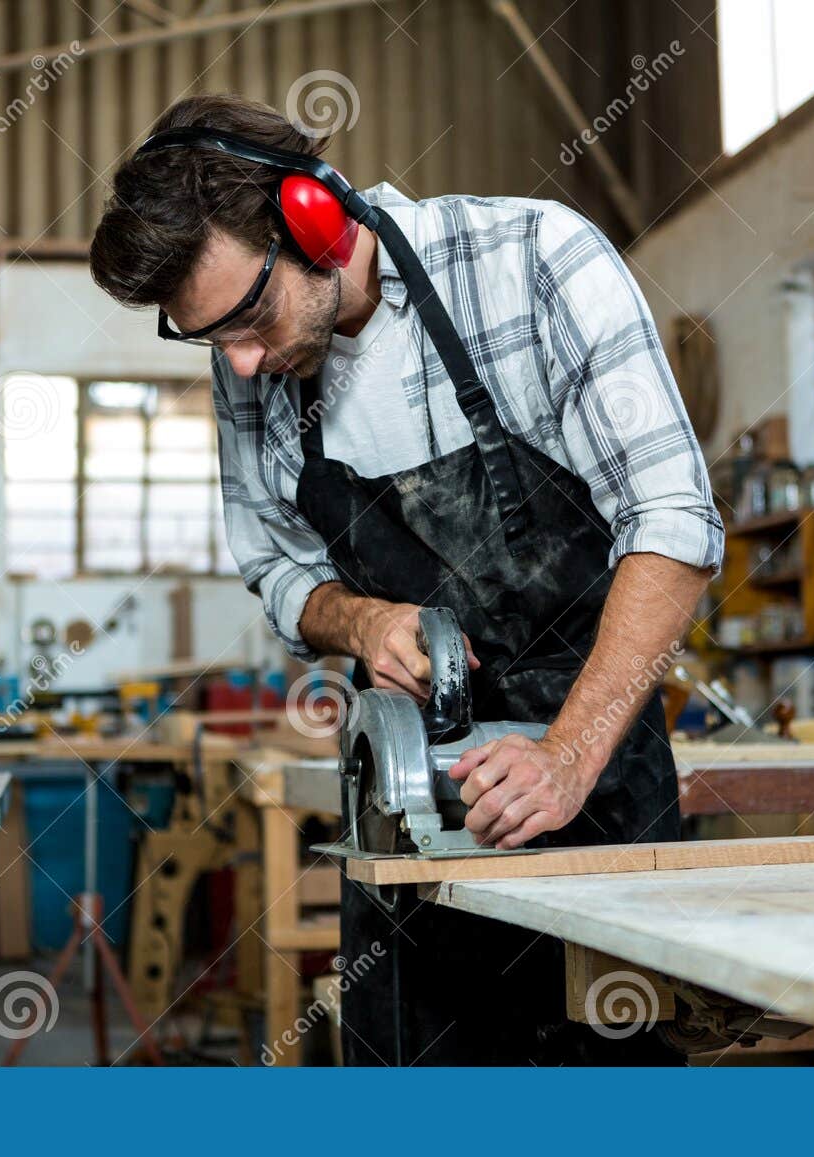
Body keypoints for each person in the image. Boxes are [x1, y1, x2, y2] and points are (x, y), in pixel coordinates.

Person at [90, 93, 723, 1065]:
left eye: (250, 320)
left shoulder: (536, 263)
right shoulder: (250, 354)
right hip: (399, 801)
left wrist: (566, 751)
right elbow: (274, 559)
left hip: (591, 791)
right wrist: (358, 620)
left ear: (316, 218)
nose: (244, 365)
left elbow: (673, 520)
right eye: (212, 340)